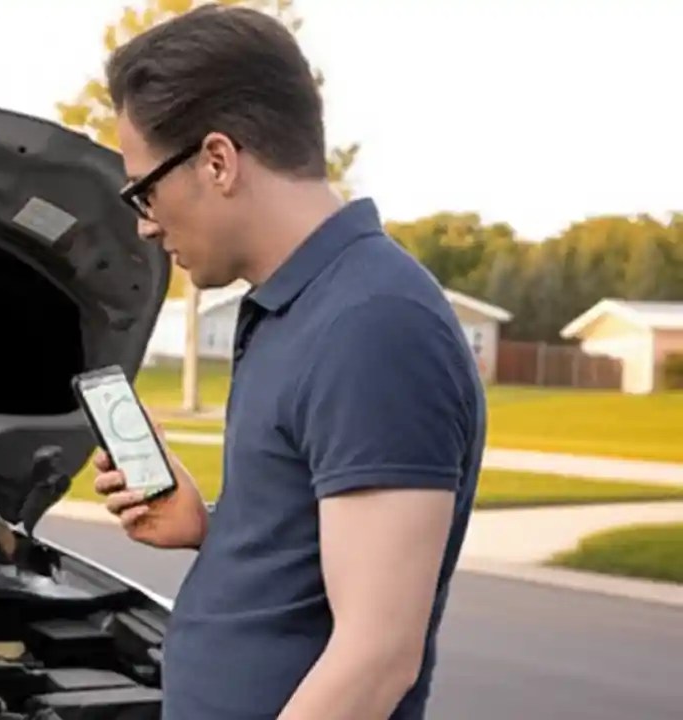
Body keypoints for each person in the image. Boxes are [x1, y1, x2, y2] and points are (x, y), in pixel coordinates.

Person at [92, 5, 485, 720]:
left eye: (144, 190)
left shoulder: (374, 325)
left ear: (217, 160)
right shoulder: (299, 308)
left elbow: (376, 657)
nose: (145, 224)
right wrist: (208, 525)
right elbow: (317, 556)